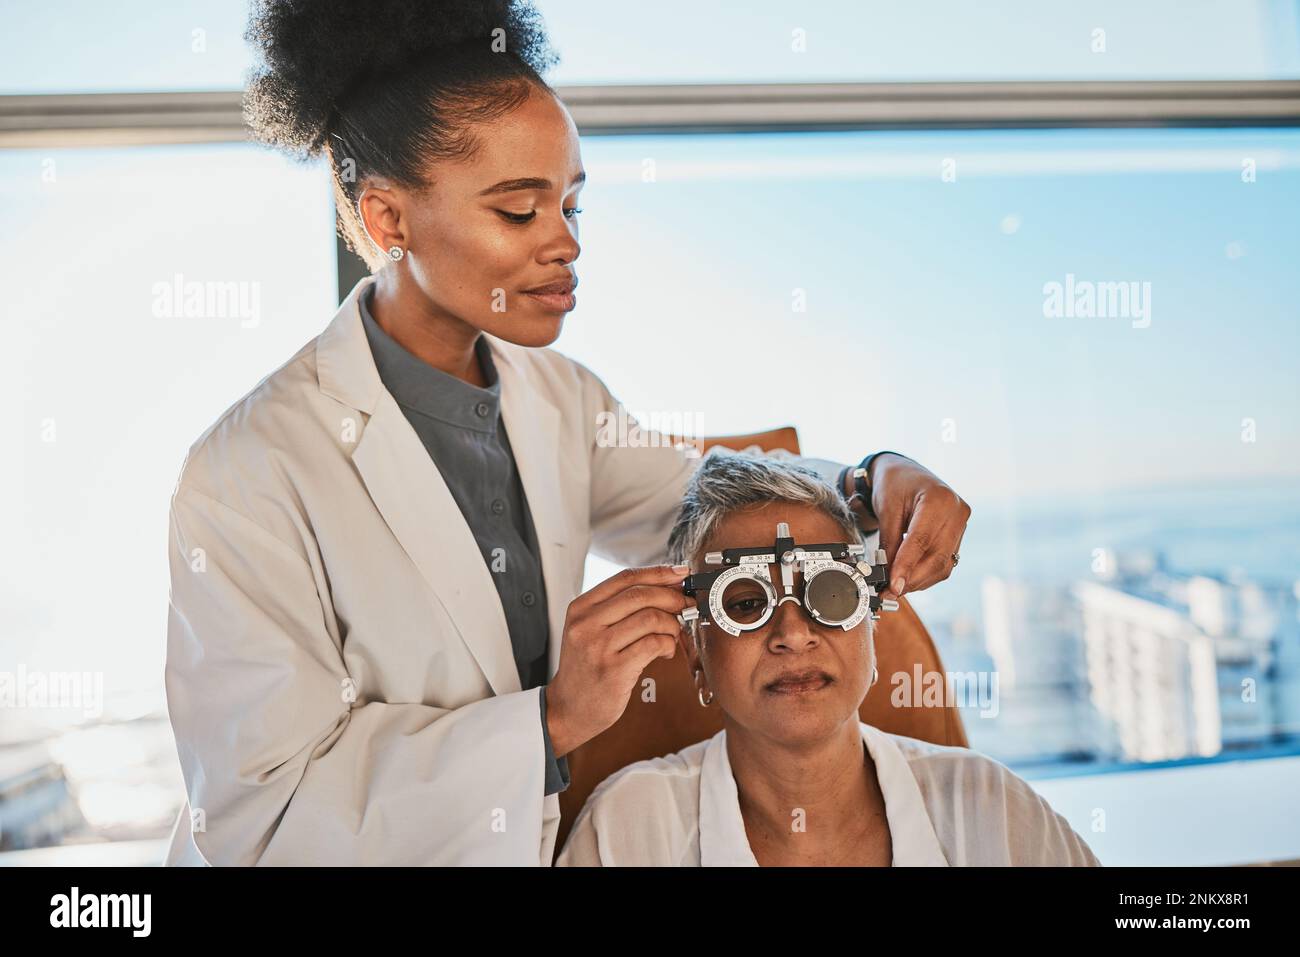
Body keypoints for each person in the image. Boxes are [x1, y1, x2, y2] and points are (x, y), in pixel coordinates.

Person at [162, 0, 972, 865]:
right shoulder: (246, 471)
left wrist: (869, 479)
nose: (565, 244)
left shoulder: (556, 397)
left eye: (571, 206)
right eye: (519, 211)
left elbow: (700, 491)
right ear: (389, 221)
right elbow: (261, 818)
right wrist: (551, 722)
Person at [557, 450, 1096, 866]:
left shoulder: (987, 805)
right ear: (696, 655)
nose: (793, 633)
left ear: (869, 629)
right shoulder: (633, 827)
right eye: (745, 603)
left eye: (831, 595)